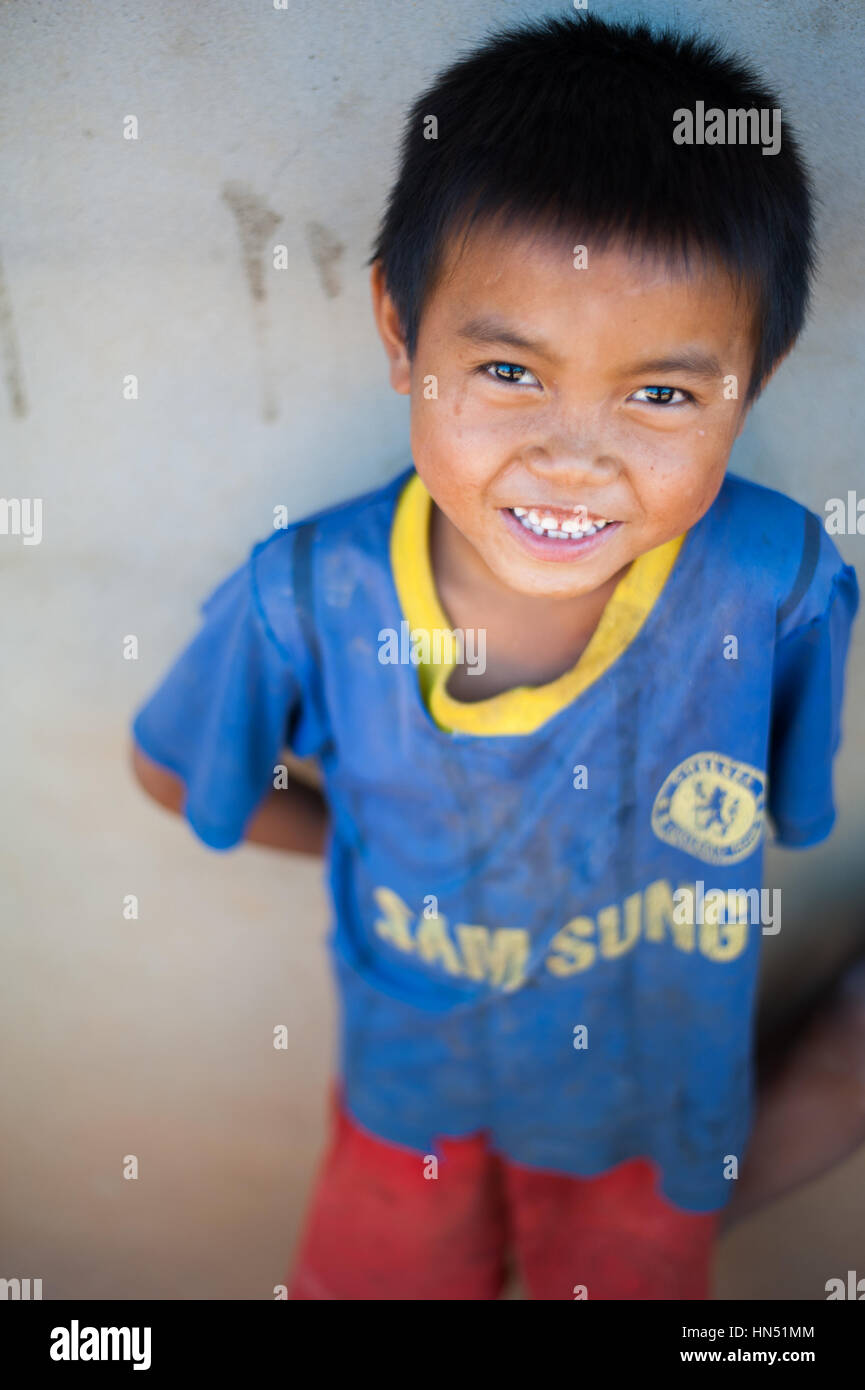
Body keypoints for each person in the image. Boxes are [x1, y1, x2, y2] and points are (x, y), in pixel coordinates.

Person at [130, 13, 860, 1299]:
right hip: (412, 1087)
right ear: (401, 332)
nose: (575, 458)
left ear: (758, 378)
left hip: (654, 1096)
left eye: (662, 394)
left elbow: (778, 813)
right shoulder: (306, 597)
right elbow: (182, 775)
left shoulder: (779, 581)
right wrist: (367, 833)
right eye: (512, 367)